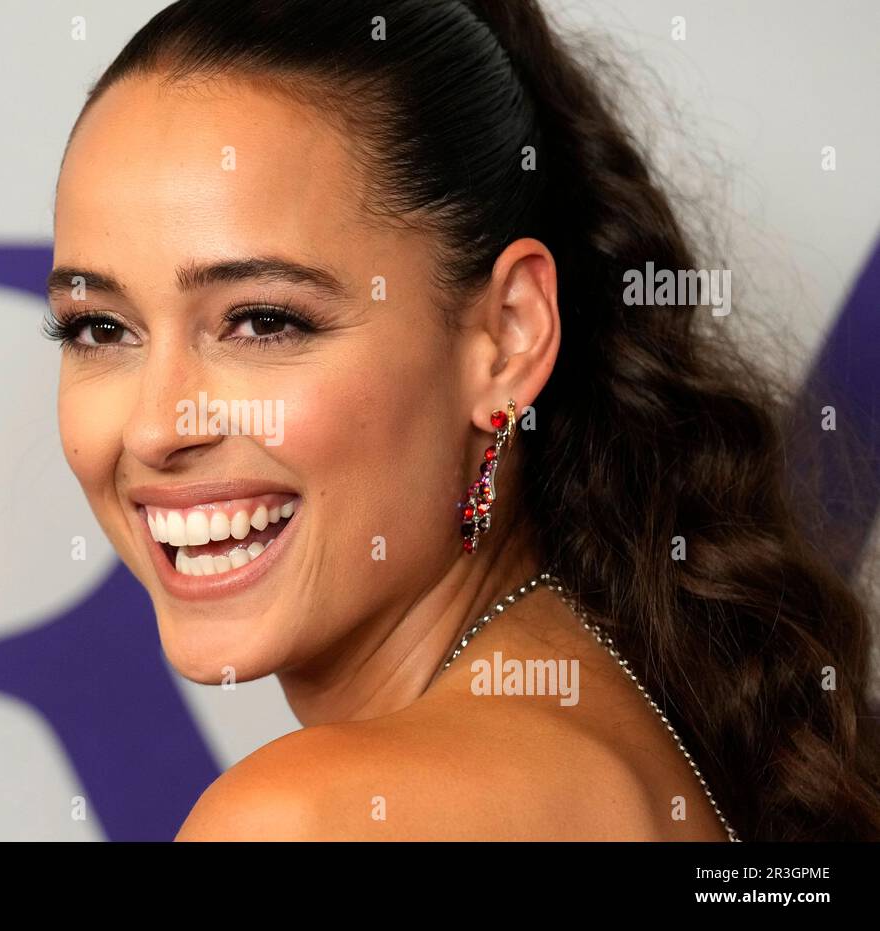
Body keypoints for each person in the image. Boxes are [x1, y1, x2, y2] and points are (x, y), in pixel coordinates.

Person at [43, 0, 880, 840]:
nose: (155, 428)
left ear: (509, 338)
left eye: (263, 320)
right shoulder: (630, 730)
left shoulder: (306, 819)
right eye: (100, 328)